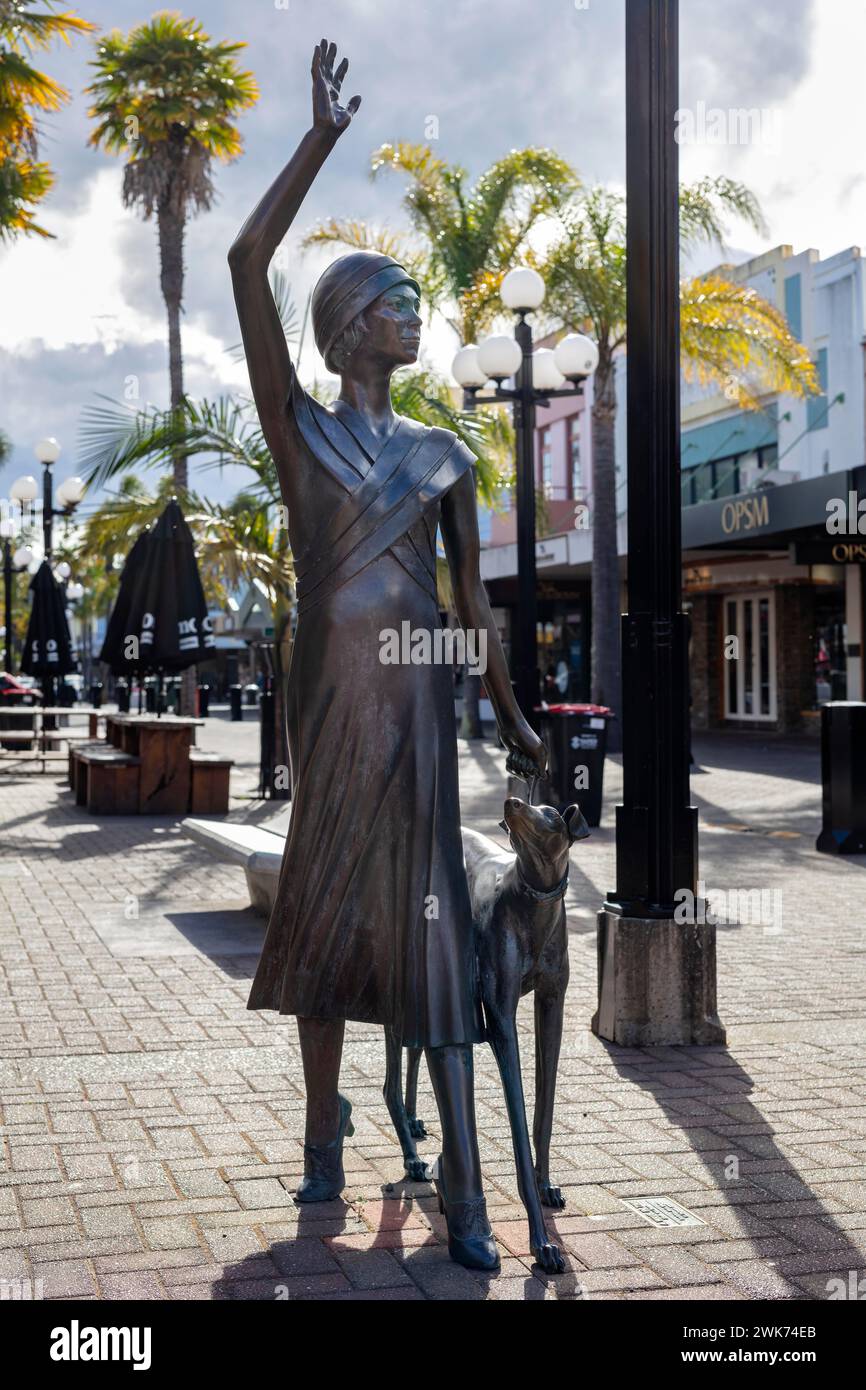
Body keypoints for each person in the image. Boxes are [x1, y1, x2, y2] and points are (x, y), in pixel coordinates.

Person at [228, 38, 546, 1271]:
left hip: (417, 711)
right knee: (322, 913)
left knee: (425, 935)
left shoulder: (445, 455)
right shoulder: (300, 437)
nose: (416, 316)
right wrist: (314, 140)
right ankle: (322, 1131)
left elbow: (473, 605)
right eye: (395, 303)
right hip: (330, 700)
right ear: (345, 327)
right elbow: (247, 260)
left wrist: (511, 715)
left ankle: (466, 1193)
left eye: (418, 302)